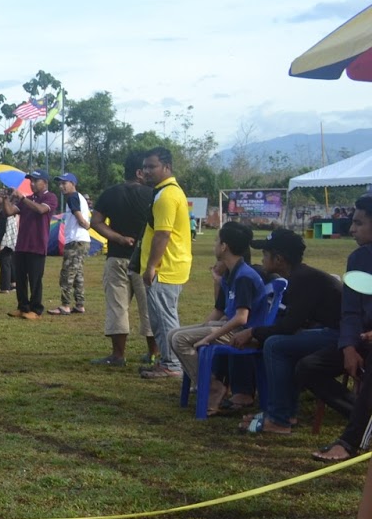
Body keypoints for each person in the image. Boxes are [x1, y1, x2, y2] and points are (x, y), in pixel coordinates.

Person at [229, 228, 342, 435]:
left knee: (275, 345)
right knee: (279, 343)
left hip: (342, 337)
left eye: (265, 254)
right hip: (330, 332)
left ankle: (279, 419)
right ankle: (284, 413)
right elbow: (292, 325)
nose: (262, 259)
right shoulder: (299, 276)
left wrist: (253, 332)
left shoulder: (303, 279)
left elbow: (289, 326)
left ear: (279, 259)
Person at [164, 222, 262, 411]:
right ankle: (209, 384)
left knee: (180, 339)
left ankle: (213, 387)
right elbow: (222, 310)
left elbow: (241, 318)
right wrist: (202, 327)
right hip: (231, 327)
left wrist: (208, 337)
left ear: (224, 246)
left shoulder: (243, 277)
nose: (214, 244)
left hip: (244, 333)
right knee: (173, 334)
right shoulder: (232, 273)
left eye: (217, 240)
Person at [303, 198, 372, 462]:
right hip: (360, 338)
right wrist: (349, 347)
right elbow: (351, 310)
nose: (352, 229)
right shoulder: (359, 258)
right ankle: (362, 415)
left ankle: (350, 441)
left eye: (358, 222)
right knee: (309, 367)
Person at [89, 151, 158, 368]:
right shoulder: (153, 194)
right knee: (150, 308)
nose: (148, 173)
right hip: (145, 260)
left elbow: (96, 222)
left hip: (117, 256)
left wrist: (118, 237)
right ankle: (153, 354)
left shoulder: (110, 193)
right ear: (139, 172)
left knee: (117, 306)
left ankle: (118, 355)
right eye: (146, 169)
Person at [139, 147, 194, 379]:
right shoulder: (167, 192)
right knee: (162, 316)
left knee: (163, 318)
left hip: (165, 267)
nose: (147, 171)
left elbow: (163, 234)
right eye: (145, 167)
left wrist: (152, 266)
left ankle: (172, 365)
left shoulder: (167, 195)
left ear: (167, 167)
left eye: (152, 166)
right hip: (171, 265)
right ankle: (168, 361)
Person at [8, 170, 58, 320]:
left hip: (37, 245)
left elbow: (40, 209)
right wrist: (5, 199)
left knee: (35, 279)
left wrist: (22, 198)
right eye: (31, 180)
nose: (32, 183)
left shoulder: (50, 197)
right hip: (22, 244)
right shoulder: (28, 199)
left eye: (36, 180)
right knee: (20, 278)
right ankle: (22, 306)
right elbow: (9, 211)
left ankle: (36, 309)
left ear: (45, 183)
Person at [49, 172, 92, 315]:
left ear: (73, 184)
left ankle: (65, 305)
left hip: (75, 240)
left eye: (64, 183)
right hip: (83, 240)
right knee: (78, 273)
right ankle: (80, 304)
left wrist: (84, 224)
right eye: (59, 184)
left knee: (67, 273)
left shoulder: (72, 197)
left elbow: (77, 214)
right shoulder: (80, 197)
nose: (61, 187)